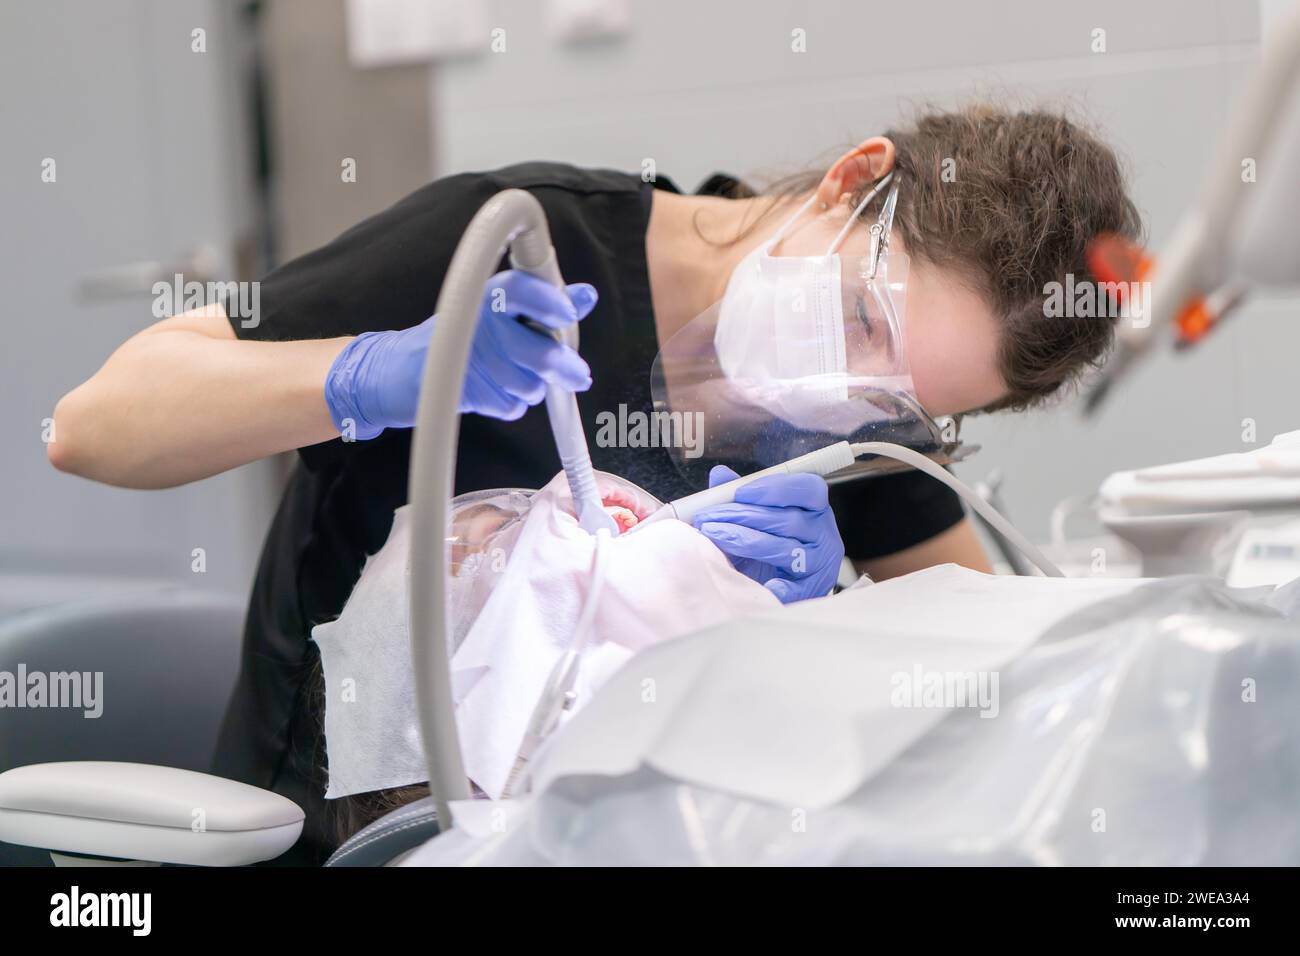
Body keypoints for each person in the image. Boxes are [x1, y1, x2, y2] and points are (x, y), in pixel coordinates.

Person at [49, 105, 1142, 862]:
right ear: (851, 182)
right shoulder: (531, 243)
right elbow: (94, 428)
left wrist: (843, 621)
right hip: (357, 831)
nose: (840, 387)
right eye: (864, 319)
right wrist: (376, 376)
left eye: (893, 401)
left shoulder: (852, 435)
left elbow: (987, 686)